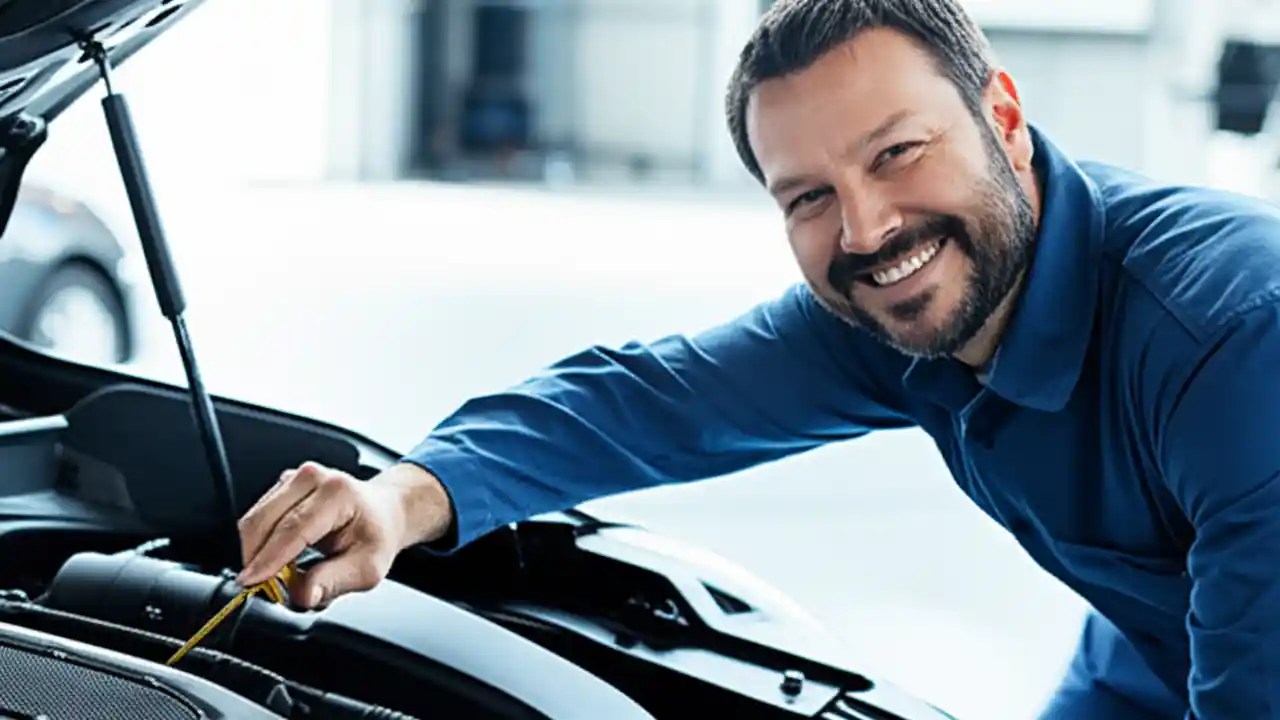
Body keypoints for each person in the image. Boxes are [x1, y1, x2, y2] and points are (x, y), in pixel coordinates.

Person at [234, 1, 1280, 717]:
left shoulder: (1233, 338)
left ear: (1001, 119)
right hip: (1147, 655)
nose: (866, 229)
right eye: (808, 197)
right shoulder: (905, 305)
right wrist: (400, 501)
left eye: (895, 153)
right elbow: (653, 399)